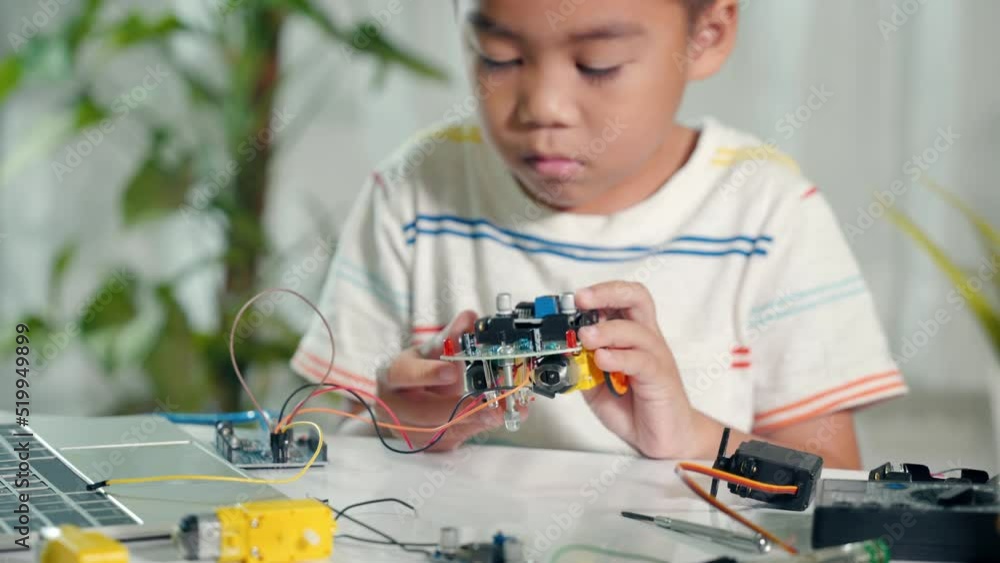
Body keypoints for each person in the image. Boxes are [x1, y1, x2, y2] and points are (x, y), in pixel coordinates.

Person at [290, 0, 906, 469]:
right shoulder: (412, 194)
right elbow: (318, 440)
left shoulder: (770, 216)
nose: (544, 106)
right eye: (499, 56)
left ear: (706, 36)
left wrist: (689, 435)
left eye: (598, 65)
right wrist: (398, 425)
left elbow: (833, 499)